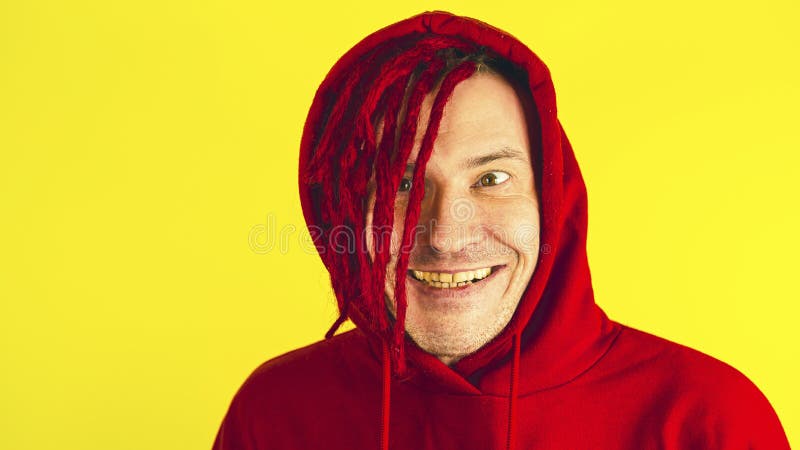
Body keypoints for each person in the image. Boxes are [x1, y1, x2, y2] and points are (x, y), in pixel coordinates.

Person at [212, 11, 789, 450]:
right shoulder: (276, 413)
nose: (443, 235)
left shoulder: (707, 419)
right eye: (401, 183)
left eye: (490, 177)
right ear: (338, 208)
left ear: (553, 198)